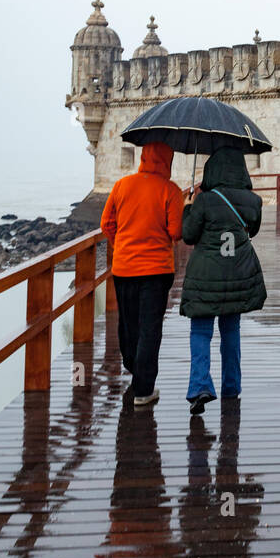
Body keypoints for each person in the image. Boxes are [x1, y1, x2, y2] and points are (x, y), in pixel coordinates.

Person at [179, 147, 267, 417]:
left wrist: (188, 207)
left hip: (206, 274)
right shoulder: (253, 201)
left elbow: (189, 236)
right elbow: (252, 230)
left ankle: (200, 386)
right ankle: (232, 386)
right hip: (238, 273)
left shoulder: (205, 201)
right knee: (231, 330)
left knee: (201, 331)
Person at [101, 141, 184, 408]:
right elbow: (176, 233)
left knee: (128, 322)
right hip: (156, 270)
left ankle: (132, 365)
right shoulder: (171, 191)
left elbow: (106, 224)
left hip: (124, 268)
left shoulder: (122, 185)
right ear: (167, 161)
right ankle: (143, 389)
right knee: (150, 327)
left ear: (144, 157)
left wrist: (121, 245)